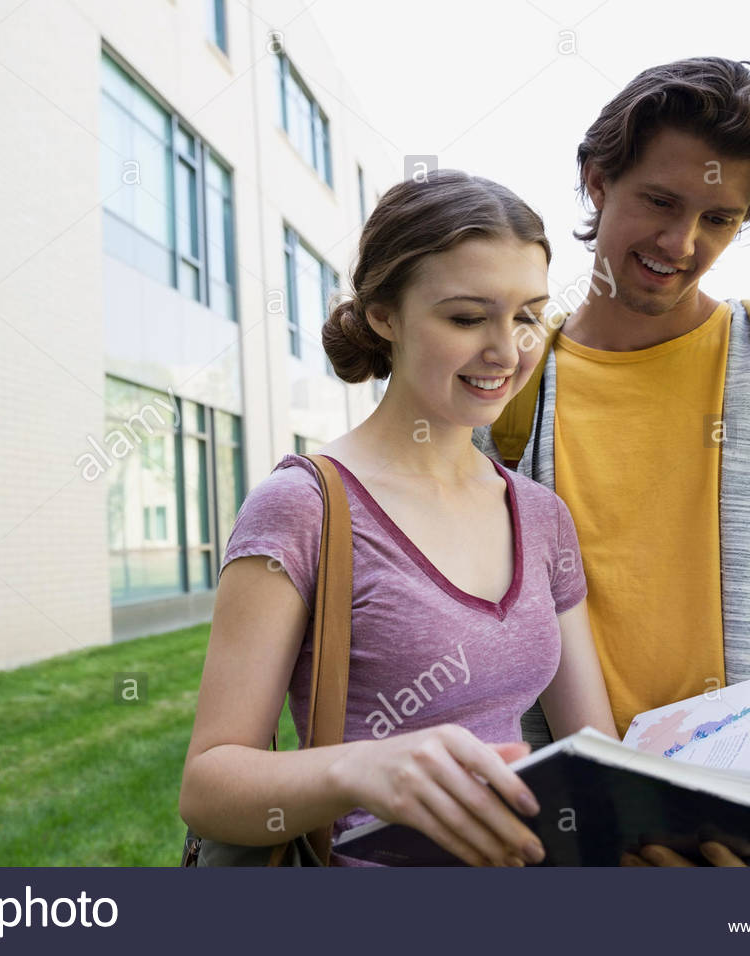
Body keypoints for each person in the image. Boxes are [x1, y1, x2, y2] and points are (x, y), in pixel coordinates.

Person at [474, 57, 750, 866]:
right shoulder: (499, 391)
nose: (681, 244)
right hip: (582, 852)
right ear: (597, 181)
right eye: (661, 202)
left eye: (720, 217)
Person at [178, 170, 618, 867]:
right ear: (384, 315)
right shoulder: (305, 506)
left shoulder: (541, 517)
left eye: (529, 315)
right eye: (468, 318)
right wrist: (359, 768)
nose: (507, 351)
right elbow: (207, 787)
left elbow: (596, 754)